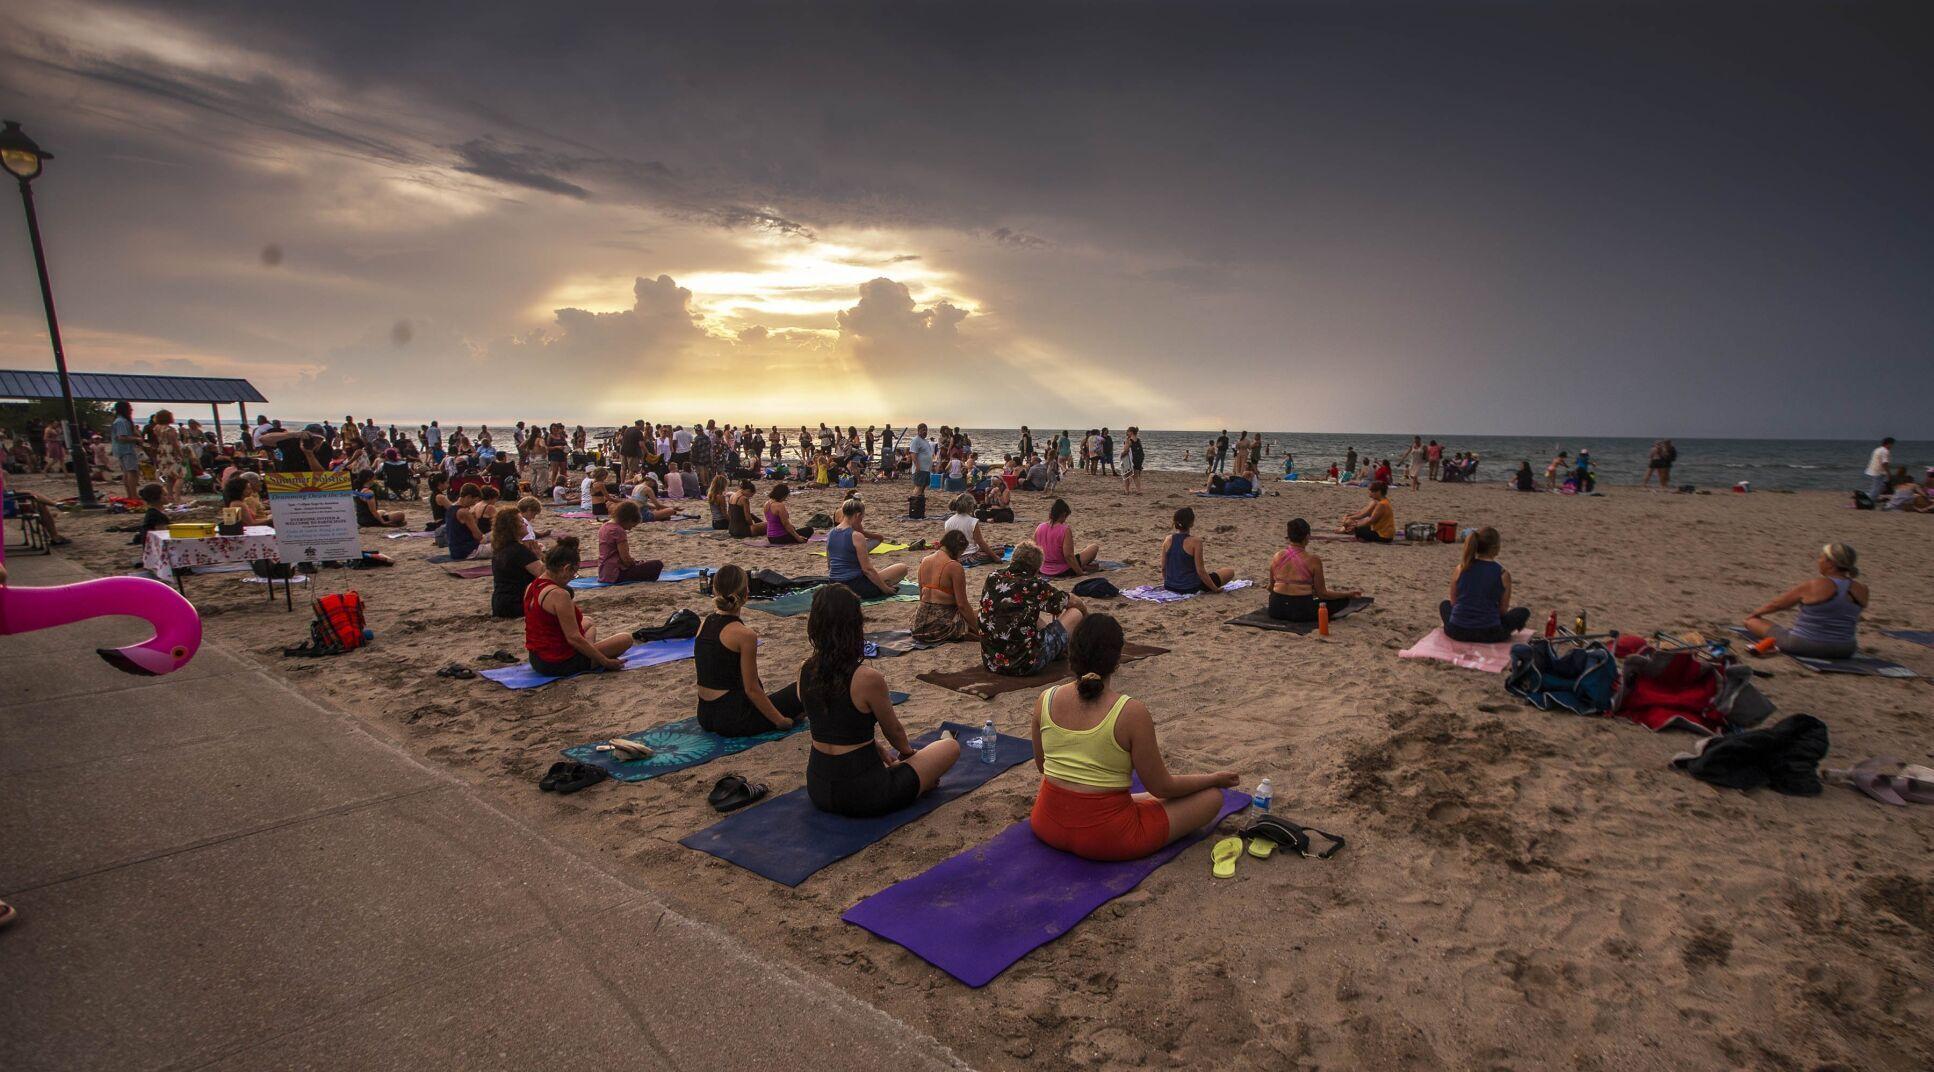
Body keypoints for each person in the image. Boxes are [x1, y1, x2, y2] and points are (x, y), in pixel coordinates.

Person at [1029, 614, 1238, 861]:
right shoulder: (1130, 712)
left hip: (1046, 823)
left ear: (1071, 653)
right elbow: (1161, 786)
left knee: (1133, 797)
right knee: (1212, 797)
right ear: (1117, 661)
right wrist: (1211, 778)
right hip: (1108, 839)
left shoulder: (1046, 699)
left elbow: (1044, 767)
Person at [800, 585, 961, 816]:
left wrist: (879, 751)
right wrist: (907, 757)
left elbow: (834, 725)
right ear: (855, 625)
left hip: (818, 788)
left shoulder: (805, 669)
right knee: (950, 746)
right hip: (866, 795)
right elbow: (894, 731)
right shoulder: (866, 678)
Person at [694, 564, 806, 735]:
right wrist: (780, 721)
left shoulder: (705, 623)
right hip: (734, 718)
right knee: (804, 688)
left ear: (715, 591)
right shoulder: (745, 636)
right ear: (746, 594)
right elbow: (752, 689)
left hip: (705, 714)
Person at [523, 538, 641, 675]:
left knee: (589, 622)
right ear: (566, 569)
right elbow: (573, 638)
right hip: (557, 662)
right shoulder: (559, 595)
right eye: (574, 574)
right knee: (625, 639)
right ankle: (588, 657)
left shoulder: (532, 586)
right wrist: (605, 661)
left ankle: (588, 652)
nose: (572, 578)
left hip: (537, 657)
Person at [1743, 543, 1868, 660]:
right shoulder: (1862, 589)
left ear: (1831, 564)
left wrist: (1755, 614)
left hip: (1805, 646)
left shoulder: (1816, 584)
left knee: (1752, 622)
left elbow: (1777, 605)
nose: (1819, 561)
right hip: (1845, 649)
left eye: (1821, 558)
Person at [979, 541, 1087, 675]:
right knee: (1075, 613)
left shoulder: (992, 578)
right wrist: (1086, 615)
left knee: (1025, 613)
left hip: (992, 662)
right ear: (1036, 569)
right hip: (1024, 664)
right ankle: (1074, 646)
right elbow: (1074, 602)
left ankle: (1059, 647)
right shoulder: (1033, 585)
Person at [1438, 527, 1532, 642]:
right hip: (1489, 634)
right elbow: (1503, 610)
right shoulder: (1503, 574)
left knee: (1444, 605)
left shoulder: (1460, 568)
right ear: (1496, 548)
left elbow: (1453, 603)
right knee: (1523, 612)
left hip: (1456, 631)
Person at [1267, 518, 1360, 622]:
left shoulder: (1277, 556)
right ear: (1307, 537)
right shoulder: (1313, 560)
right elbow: (1322, 594)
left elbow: (1271, 588)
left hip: (1276, 609)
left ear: (1289, 536)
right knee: (1343, 601)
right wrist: (1348, 594)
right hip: (1301, 611)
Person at [827, 498, 908, 598]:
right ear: (857, 515)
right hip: (854, 586)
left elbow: (829, 565)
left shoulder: (831, 533)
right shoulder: (856, 536)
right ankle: (882, 586)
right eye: (862, 517)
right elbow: (867, 570)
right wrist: (885, 589)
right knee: (901, 568)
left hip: (834, 583)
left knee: (875, 574)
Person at [912, 529, 981, 643]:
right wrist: (976, 629)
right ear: (957, 549)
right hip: (940, 626)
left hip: (918, 624)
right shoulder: (954, 566)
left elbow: (921, 596)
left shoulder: (924, 561)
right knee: (981, 614)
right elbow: (962, 605)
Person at [1160, 506, 1235, 594]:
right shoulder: (1196, 542)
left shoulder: (1167, 539)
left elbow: (1163, 568)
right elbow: (1200, 571)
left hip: (1170, 586)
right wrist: (1215, 589)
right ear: (1191, 523)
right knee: (1229, 572)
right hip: (1190, 587)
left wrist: (1168, 584)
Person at [489, 507, 543, 618]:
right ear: (513, 527)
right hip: (515, 603)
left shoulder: (501, 548)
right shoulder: (518, 550)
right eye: (522, 522)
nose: (526, 524)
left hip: (500, 603)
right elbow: (544, 575)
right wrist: (539, 556)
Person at [597, 501, 666, 584]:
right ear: (628, 520)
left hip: (604, 573)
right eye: (631, 525)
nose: (629, 529)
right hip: (616, 574)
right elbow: (625, 559)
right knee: (657, 564)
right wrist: (635, 564)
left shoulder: (604, 527)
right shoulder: (618, 530)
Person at [1034, 498, 1101, 577]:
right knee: (1094, 547)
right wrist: (1080, 573)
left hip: (1043, 569)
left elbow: (1035, 550)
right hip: (1063, 570)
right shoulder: (1065, 529)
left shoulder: (1040, 527)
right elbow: (1068, 556)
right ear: (1064, 514)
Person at [944, 493, 1002, 562]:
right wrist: (995, 557)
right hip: (970, 556)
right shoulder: (972, 521)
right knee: (1001, 549)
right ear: (970, 506)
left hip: (956, 555)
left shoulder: (948, 522)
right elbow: (980, 542)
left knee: (996, 549)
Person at [109, 400, 142, 499]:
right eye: (129, 408)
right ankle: (133, 495)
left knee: (127, 472)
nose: (131, 410)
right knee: (132, 472)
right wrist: (136, 439)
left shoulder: (120, 421)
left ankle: (131, 495)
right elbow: (122, 437)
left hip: (121, 450)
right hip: (126, 450)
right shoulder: (122, 421)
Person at [445, 485, 486, 560]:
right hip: (468, 550)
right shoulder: (464, 512)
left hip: (455, 550)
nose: (474, 503)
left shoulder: (451, 508)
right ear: (468, 497)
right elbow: (478, 536)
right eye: (475, 500)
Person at [1120, 426, 1144, 492]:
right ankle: (1139, 491)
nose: (1126, 432)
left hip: (1130, 459)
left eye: (1127, 431)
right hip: (1138, 459)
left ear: (1131, 432)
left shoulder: (1128, 440)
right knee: (1136, 476)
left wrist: (1121, 456)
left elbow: (1126, 450)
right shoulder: (1138, 440)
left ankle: (1126, 491)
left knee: (1126, 475)